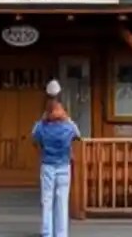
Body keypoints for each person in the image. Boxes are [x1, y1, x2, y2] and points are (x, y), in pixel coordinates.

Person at [32, 79, 80, 237]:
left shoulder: (42, 126)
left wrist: (44, 117)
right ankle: (61, 234)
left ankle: (47, 232)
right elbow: (77, 134)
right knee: (61, 201)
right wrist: (67, 118)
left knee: (47, 200)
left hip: (47, 164)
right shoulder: (68, 127)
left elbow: (34, 137)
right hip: (63, 165)